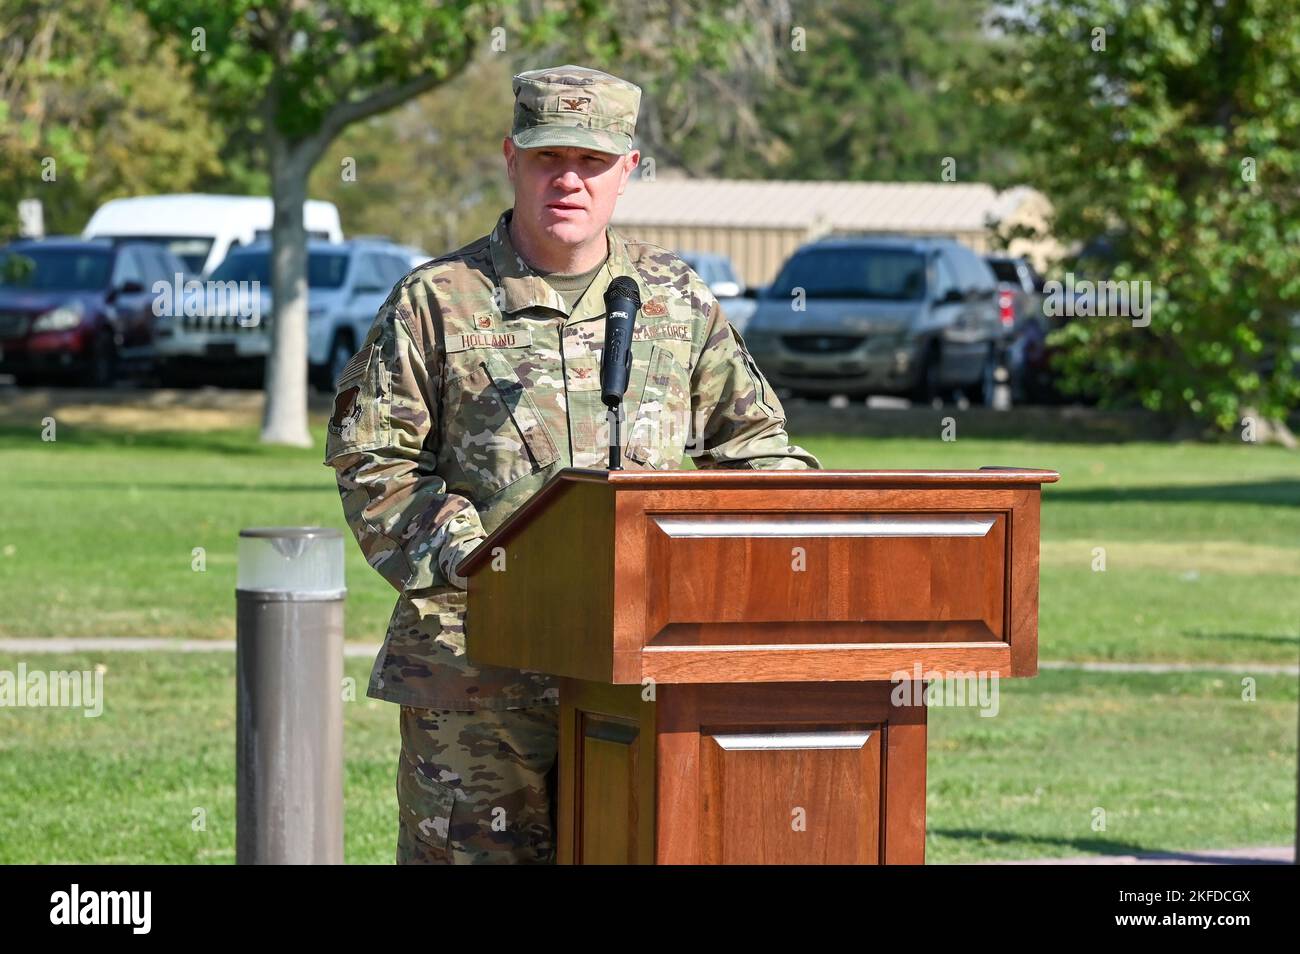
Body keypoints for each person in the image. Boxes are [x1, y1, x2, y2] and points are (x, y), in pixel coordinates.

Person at [323, 64, 821, 865]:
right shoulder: (436, 298)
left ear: (626, 172)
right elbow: (376, 461)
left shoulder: (673, 298)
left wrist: (808, 546)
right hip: (476, 672)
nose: (569, 179)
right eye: (550, 157)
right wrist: (470, 552)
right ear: (511, 159)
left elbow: (755, 448)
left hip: (641, 665)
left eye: (591, 162)